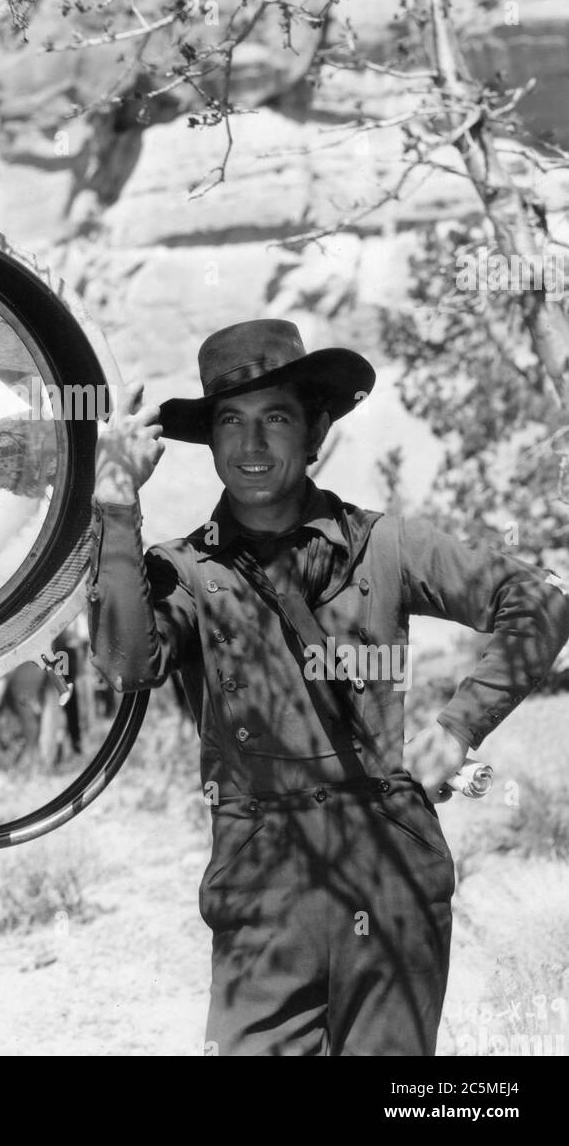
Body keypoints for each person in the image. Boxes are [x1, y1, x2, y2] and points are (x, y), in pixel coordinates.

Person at [88, 318, 569, 1057]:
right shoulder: (184, 571)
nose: (252, 447)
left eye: (275, 419)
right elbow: (125, 665)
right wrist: (116, 506)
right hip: (261, 882)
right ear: (211, 440)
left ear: (313, 428)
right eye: (231, 422)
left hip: (391, 867)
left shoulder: (385, 544)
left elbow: (539, 600)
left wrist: (460, 725)